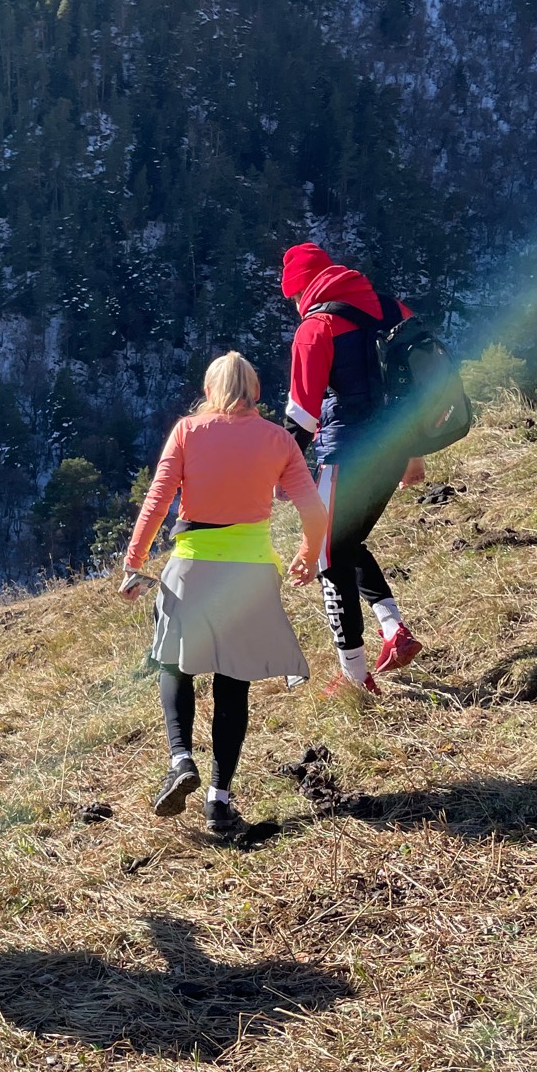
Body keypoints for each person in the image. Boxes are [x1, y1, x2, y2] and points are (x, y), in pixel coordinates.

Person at [122, 352, 328, 839]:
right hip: (252, 576)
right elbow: (313, 508)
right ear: (255, 391)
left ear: (210, 390)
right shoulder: (278, 440)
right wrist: (307, 553)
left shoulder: (189, 431)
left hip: (191, 567)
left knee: (173, 663)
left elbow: (157, 499)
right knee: (234, 685)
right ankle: (220, 803)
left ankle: (180, 759)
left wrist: (133, 563)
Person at [280, 242, 427, 692]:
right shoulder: (391, 308)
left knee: (327, 556)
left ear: (300, 288)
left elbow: (302, 416)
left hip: (347, 454)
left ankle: (355, 676)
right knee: (346, 542)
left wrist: (279, 468)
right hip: (396, 446)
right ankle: (393, 631)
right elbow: (418, 380)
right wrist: (415, 450)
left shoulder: (316, 327)